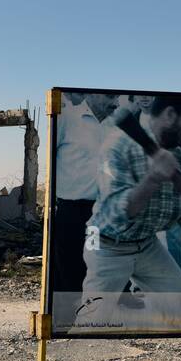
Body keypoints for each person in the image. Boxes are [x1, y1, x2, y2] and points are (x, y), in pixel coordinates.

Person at [79, 96, 181, 301]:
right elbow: (118, 211)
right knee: (93, 320)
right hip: (105, 245)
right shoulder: (116, 146)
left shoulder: (176, 153)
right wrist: (153, 178)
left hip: (146, 244)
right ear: (170, 115)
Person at [53, 93, 116, 293]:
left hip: (98, 215)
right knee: (69, 268)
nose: (114, 103)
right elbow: (50, 156)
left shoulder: (113, 127)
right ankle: (67, 320)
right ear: (93, 95)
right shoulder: (68, 119)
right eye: (109, 96)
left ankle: (91, 318)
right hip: (71, 213)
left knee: (94, 267)